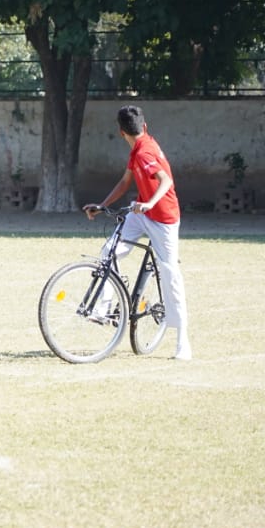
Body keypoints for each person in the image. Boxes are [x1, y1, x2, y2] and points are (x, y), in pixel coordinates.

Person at [84, 104, 192, 361]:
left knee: (169, 274)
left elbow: (166, 181)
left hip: (164, 218)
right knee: (110, 250)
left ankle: (182, 341)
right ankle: (105, 308)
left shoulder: (145, 151)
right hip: (140, 213)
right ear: (143, 127)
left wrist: (150, 203)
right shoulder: (138, 149)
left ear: (121, 133)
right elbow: (125, 182)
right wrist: (103, 205)